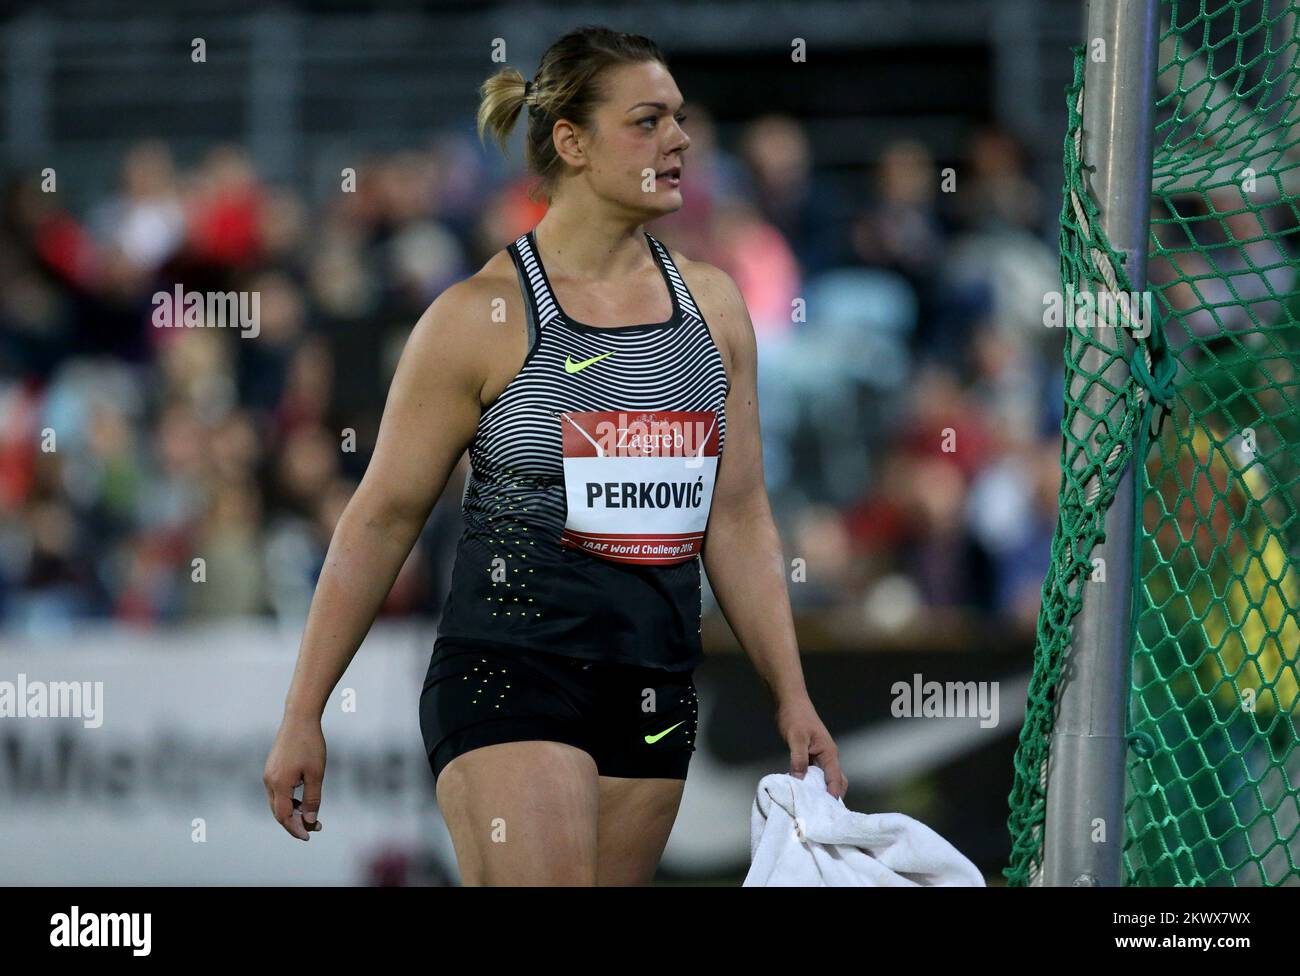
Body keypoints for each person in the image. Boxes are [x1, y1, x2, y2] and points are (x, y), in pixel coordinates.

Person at [263, 25, 845, 886]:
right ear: (570, 143)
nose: (680, 141)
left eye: (679, 119)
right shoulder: (477, 317)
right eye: (648, 121)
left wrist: (791, 695)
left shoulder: (714, 309)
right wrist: (302, 712)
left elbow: (738, 513)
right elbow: (380, 518)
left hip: (654, 686)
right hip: (511, 674)